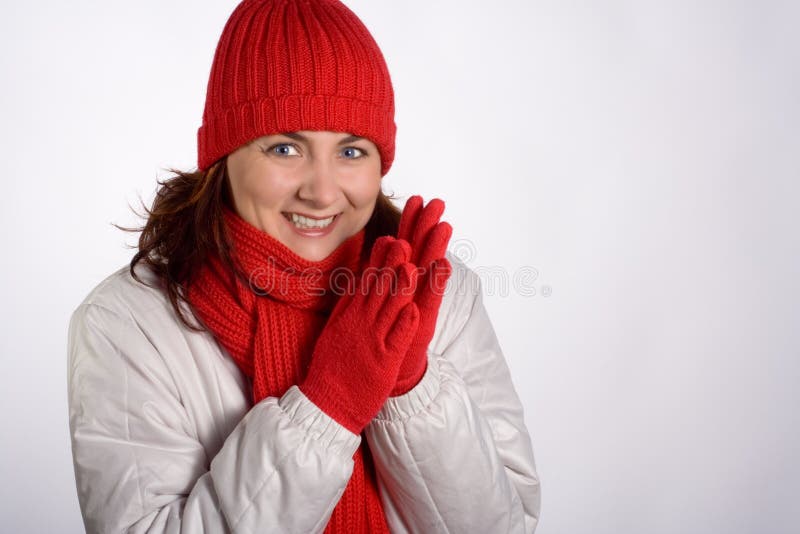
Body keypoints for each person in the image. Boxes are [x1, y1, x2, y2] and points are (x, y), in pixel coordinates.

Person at [67, 0, 541, 532]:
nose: (321, 191)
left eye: (352, 152)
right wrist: (326, 407)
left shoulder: (434, 293)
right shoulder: (129, 324)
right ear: (224, 156)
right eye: (286, 148)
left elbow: (506, 525)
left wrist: (412, 386)